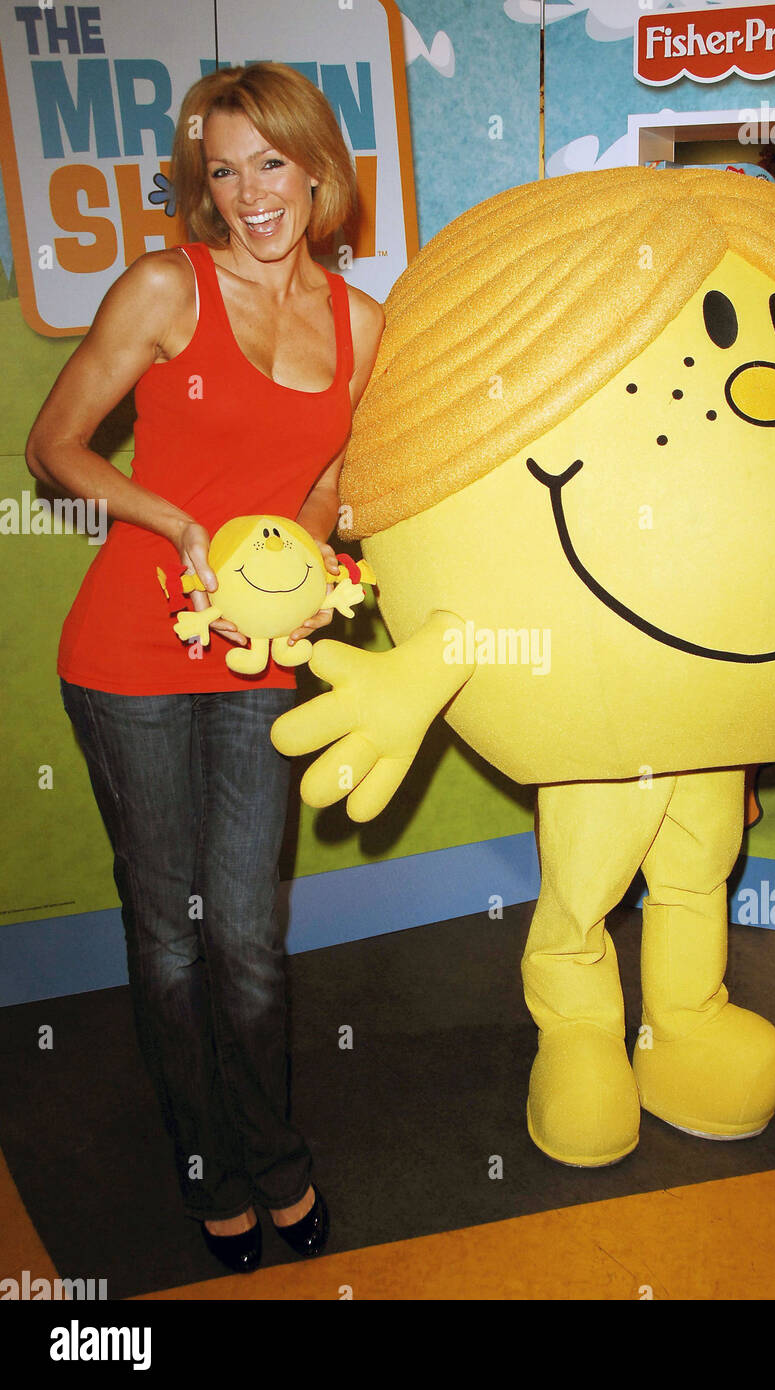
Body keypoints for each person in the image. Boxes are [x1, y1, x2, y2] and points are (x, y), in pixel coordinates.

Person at [25, 62, 384, 1272]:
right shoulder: (166, 290)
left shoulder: (360, 322)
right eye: (222, 172)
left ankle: (275, 1155)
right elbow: (54, 445)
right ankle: (208, 1168)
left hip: (253, 660)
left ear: (317, 169)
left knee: (245, 930)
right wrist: (169, 519)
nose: (248, 194)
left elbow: (329, 488)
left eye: (269, 165)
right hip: (130, 649)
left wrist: (327, 571)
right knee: (171, 931)